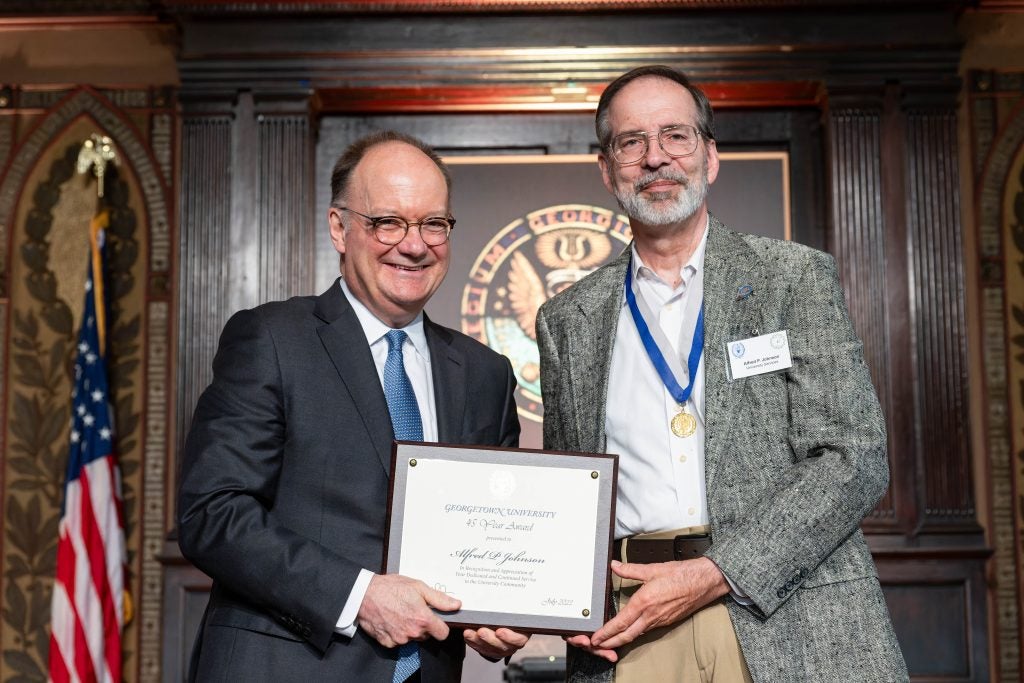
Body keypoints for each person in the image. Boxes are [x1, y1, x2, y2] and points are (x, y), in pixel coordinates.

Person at [536, 66, 907, 682]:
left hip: (788, 612)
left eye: (676, 136)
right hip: (633, 626)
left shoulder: (794, 279)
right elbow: (572, 495)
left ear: (709, 157)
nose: (656, 158)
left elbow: (855, 456)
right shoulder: (566, 319)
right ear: (607, 170)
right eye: (632, 142)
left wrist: (716, 572)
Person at [178, 131, 528, 682]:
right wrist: (359, 595)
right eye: (387, 221)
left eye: (433, 224)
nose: (414, 245)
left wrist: (499, 610)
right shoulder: (271, 338)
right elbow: (213, 514)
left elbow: (490, 532)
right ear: (340, 228)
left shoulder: (485, 374)